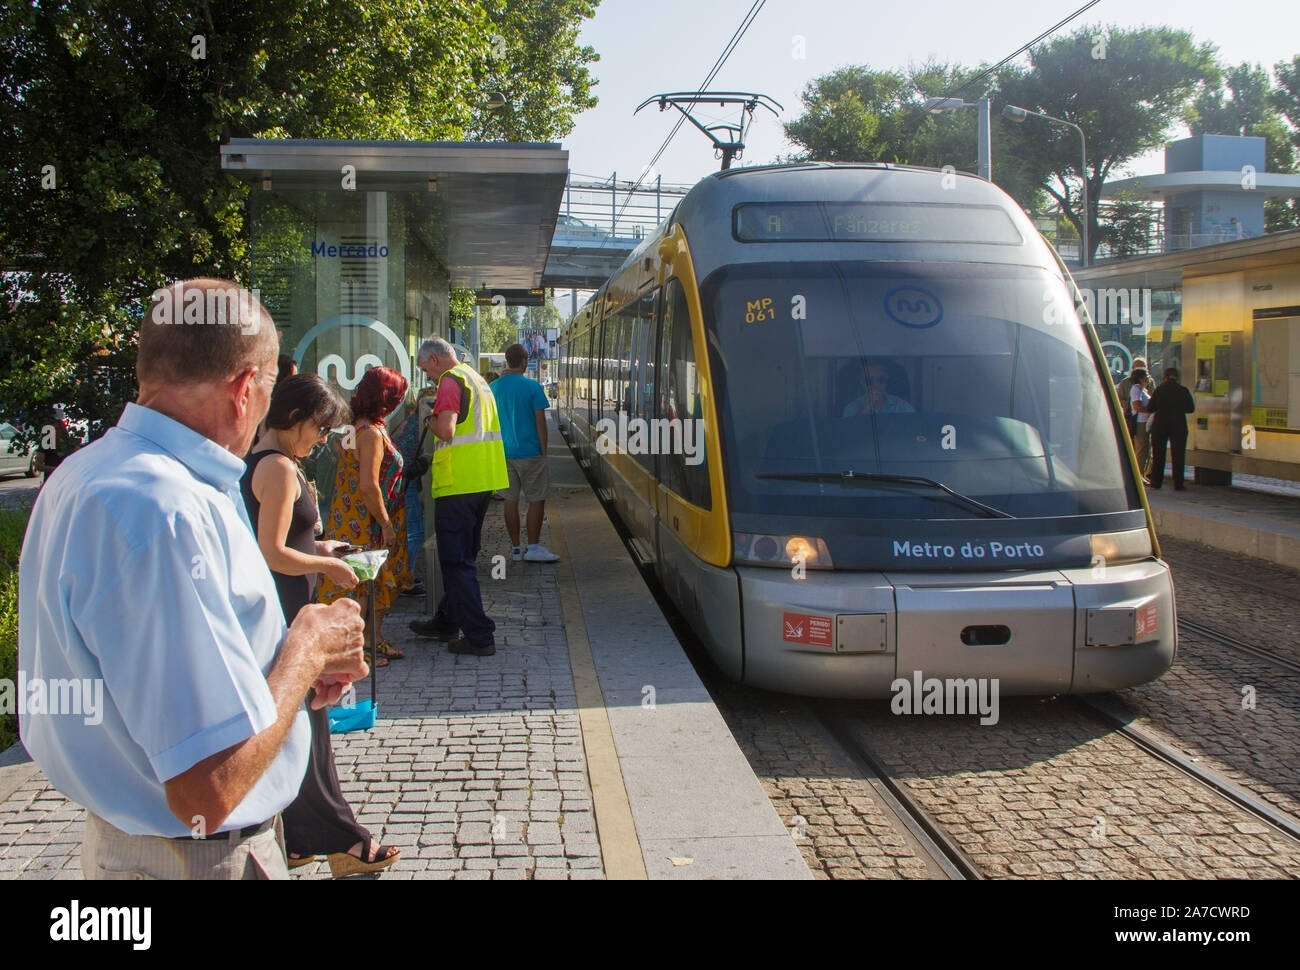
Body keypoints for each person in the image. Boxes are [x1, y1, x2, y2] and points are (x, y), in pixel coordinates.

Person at [18, 278, 366, 880]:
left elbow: (135, 691)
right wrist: (305, 653)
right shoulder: (167, 512)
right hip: (200, 857)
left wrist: (282, 685)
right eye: (267, 389)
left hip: (132, 844)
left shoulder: (87, 475)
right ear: (241, 390)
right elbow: (207, 789)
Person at [242, 374, 399, 877]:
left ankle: (302, 840)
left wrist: (323, 548)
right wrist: (325, 566)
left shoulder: (262, 461)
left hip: (285, 606)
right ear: (294, 419)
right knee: (309, 729)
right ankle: (342, 841)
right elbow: (273, 553)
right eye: (319, 428)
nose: (324, 440)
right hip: (290, 612)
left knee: (302, 726)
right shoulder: (280, 468)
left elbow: (284, 540)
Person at [407, 337, 508, 656]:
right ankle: (447, 620)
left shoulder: (450, 382)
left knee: (455, 561)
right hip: (481, 481)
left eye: (426, 370)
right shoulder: (475, 378)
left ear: (435, 360)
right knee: (463, 557)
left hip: (458, 484)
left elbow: (447, 429)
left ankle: (479, 635)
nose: (428, 377)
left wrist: (428, 417)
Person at [316, 366, 413, 666]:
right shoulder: (369, 433)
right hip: (367, 520)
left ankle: (369, 640)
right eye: (397, 396)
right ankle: (357, 649)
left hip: (348, 515)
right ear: (386, 399)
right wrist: (386, 524)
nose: (400, 401)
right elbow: (370, 486)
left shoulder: (354, 426)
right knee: (365, 581)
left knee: (364, 581)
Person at [491, 343, 560, 563]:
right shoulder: (532, 387)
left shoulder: (493, 387)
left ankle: (515, 549)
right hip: (530, 452)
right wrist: (544, 450)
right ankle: (533, 547)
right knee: (536, 499)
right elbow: (541, 422)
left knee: (510, 500)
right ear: (523, 361)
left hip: (503, 452)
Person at [1147, 367, 1196, 491]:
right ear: (1177, 377)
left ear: (1165, 377)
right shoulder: (1183, 390)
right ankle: (1178, 484)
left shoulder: (1159, 390)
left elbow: (1150, 408)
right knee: (1178, 455)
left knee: (1159, 455)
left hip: (1160, 426)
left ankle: (1156, 482)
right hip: (1178, 426)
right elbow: (1190, 409)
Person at [842, 359, 914, 416]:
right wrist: (866, 410)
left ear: (886, 380)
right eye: (869, 381)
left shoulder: (902, 407)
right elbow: (850, 433)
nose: (875, 385)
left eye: (880, 380)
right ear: (861, 382)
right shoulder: (851, 409)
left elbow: (914, 430)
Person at [1127, 367, 1153, 484]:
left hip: (1146, 422)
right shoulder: (1136, 389)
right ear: (1141, 378)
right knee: (1141, 448)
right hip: (1140, 422)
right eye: (1146, 377)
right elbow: (1137, 406)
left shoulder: (1143, 390)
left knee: (1146, 449)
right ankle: (1138, 475)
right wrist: (1150, 409)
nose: (1148, 379)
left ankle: (1142, 473)